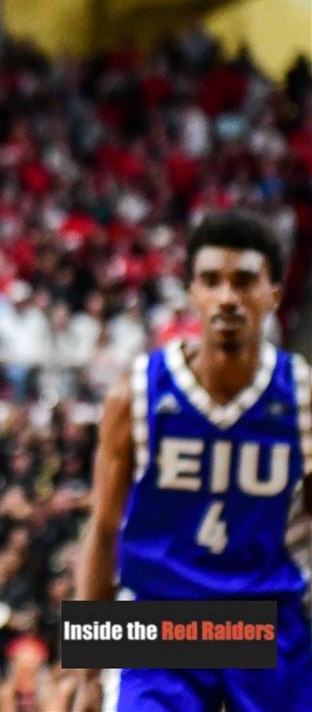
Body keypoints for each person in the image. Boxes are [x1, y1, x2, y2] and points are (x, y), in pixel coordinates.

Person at [74, 210, 311, 712]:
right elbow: (102, 526)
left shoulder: (304, 394)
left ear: (273, 294)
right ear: (192, 293)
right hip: (159, 625)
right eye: (211, 281)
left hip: (264, 622)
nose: (227, 296)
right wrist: (86, 668)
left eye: (244, 281)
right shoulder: (134, 392)